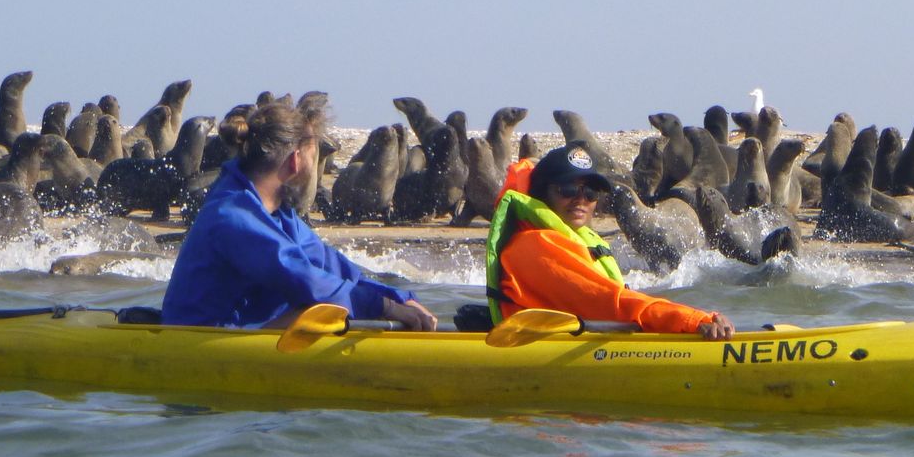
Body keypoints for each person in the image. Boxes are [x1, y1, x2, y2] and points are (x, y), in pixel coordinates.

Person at [162, 100, 438, 331]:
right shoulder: (232, 215)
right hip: (201, 343)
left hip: (243, 334)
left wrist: (400, 299)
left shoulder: (277, 214)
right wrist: (385, 309)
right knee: (322, 309)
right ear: (295, 160)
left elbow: (334, 268)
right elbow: (303, 279)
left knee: (329, 304)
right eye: (313, 152)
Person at [487, 145, 734, 338]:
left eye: (591, 193)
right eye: (568, 190)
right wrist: (691, 320)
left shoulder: (570, 240)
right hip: (539, 352)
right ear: (542, 194)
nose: (581, 199)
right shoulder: (535, 247)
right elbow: (610, 303)